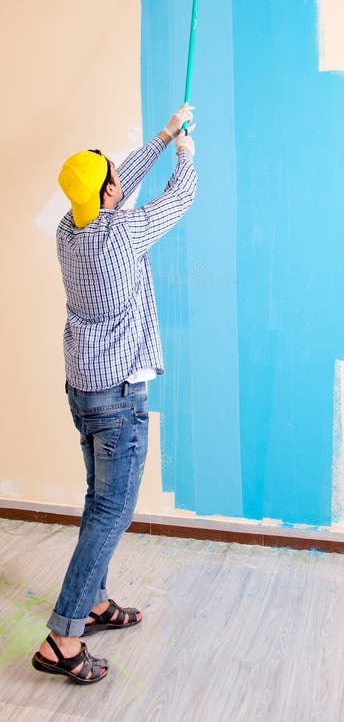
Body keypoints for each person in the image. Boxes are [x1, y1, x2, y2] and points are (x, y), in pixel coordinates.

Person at [32, 103, 197, 684]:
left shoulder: (68, 229)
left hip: (84, 391)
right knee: (111, 512)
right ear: (107, 197)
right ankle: (62, 638)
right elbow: (177, 201)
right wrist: (185, 155)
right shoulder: (124, 233)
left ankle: (94, 601)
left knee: (96, 504)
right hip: (120, 397)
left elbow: (111, 185)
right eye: (111, 180)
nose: (118, 183)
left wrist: (161, 135)